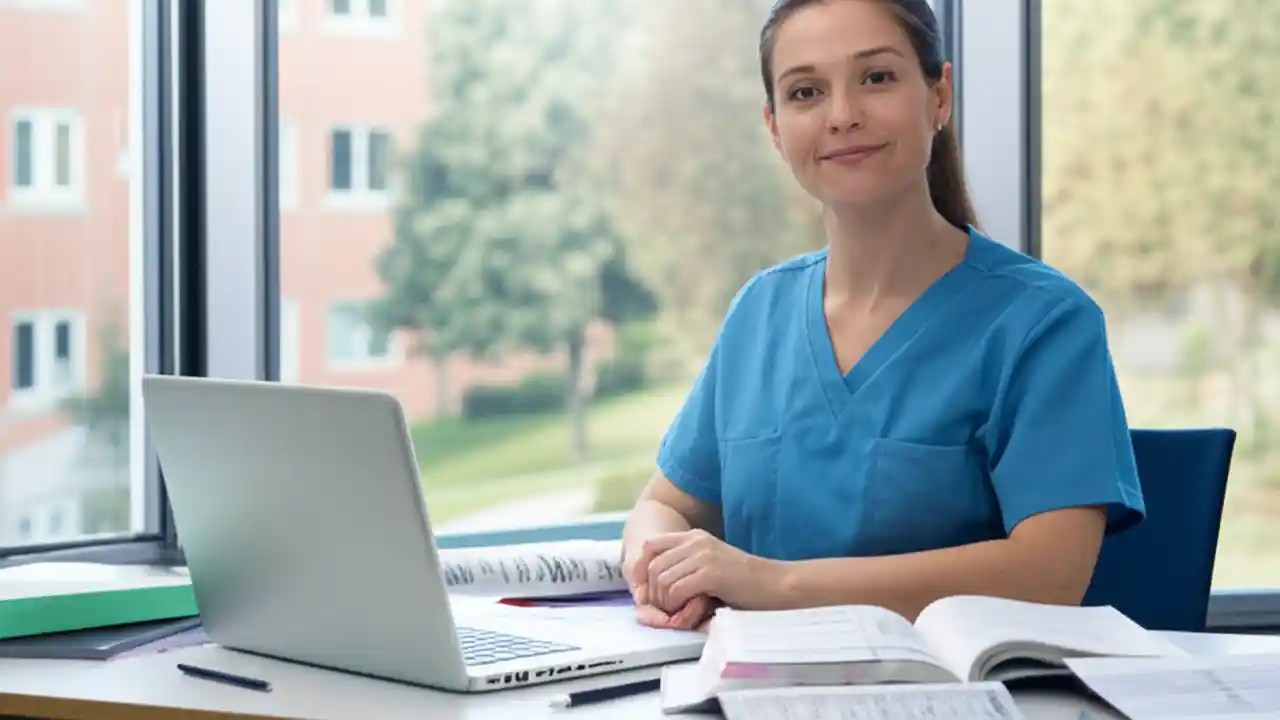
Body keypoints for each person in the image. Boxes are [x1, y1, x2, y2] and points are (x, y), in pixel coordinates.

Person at [620, 0, 1145, 631]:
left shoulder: (1045, 322)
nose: (842, 116)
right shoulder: (759, 311)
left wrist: (771, 583)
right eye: (806, 92)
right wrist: (654, 566)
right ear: (775, 127)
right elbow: (664, 504)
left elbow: (1049, 574)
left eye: (876, 78)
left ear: (939, 98)